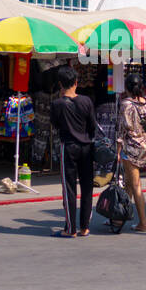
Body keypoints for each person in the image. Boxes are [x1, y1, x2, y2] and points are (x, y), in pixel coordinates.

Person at [50, 65, 97, 237]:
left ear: (60, 84)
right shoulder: (86, 101)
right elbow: (92, 126)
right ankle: (84, 226)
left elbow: (55, 125)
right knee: (87, 187)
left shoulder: (57, 104)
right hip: (86, 147)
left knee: (69, 188)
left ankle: (70, 228)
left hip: (68, 146)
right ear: (76, 83)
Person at [117, 72, 146, 232]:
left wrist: (118, 152)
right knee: (129, 184)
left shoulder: (125, 104)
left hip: (131, 148)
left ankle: (143, 222)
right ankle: (119, 217)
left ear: (127, 87)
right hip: (144, 146)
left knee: (135, 184)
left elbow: (121, 131)